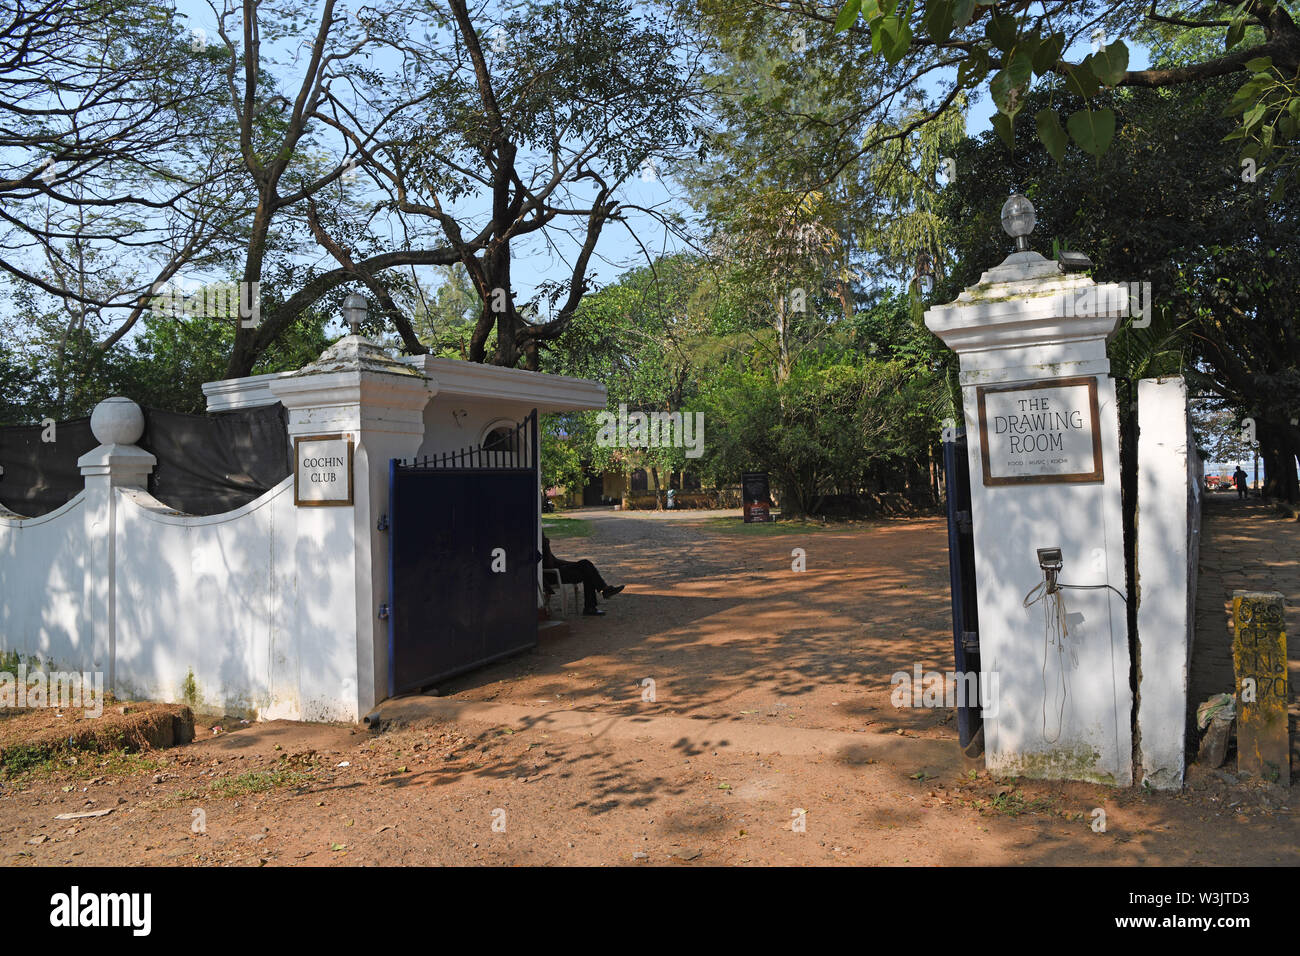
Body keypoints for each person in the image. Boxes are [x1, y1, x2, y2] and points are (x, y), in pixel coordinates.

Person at [542, 535, 624, 616]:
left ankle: (592, 606)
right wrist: (546, 546)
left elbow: (555, 561)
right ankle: (601, 594)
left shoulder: (542, 544)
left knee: (586, 569)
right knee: (586, 566)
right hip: (552, 575)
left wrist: (575, 564)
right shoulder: (540, 546)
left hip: (557, 572)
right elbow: (549, 565)